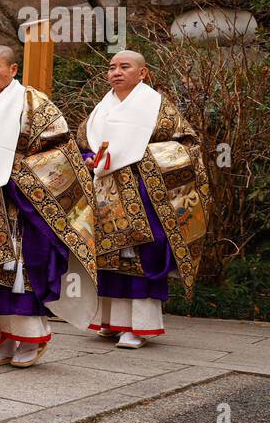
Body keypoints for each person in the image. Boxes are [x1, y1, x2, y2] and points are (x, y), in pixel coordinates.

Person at [0, 44, 98, 367]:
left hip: (17, 206)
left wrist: (17, 175)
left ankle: (31, 336)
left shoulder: (34, 104)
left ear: (13, 70)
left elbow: (60, 151)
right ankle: (3, 338)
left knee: (18, 272)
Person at [77, 51, 210, 348]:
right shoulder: (102, 108)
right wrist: (89, 160)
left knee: (140, 256)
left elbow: (186, 145)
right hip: (106, 190)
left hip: (144, 191)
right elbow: (85, 144)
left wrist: (141, 159)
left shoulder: (158, 106)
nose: (116, 72)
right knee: (108, 257)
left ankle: (139, 326)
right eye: (112, 67)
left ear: (143, 73)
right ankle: (110, 322)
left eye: (125, 67)